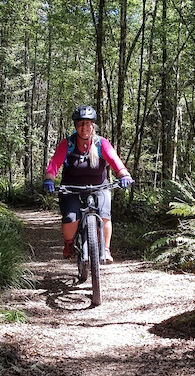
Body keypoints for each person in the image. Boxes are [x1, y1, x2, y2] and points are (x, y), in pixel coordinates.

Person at [43, 105, 133, 263]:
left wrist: (124, 174)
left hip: (99, 186)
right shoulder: (68, 144)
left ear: (93, 125)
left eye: (87, 123)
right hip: (71, 188)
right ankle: (69, 244)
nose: (83, 127)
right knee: (71, 217)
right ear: (75, 126)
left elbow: (114, 160)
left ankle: (105, 250)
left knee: (105, 215)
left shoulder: (101, 144)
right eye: (80, 123)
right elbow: (54, 165)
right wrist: (49, 179)